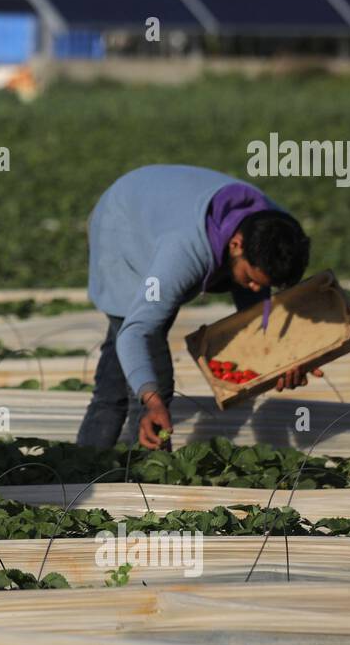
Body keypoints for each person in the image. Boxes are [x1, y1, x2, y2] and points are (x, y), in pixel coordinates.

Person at [77, 164, 318, 451]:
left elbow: (265, 312)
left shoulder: (278, 231)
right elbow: (136, 332)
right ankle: (143, 472)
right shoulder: (182, 254)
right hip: (121, 225)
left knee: (125, 368)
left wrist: (286, 357)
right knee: (149, 369)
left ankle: (87, 460)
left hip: (163, 207)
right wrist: (152, 400)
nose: (255, 289)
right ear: (237, 245)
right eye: (251, 280)